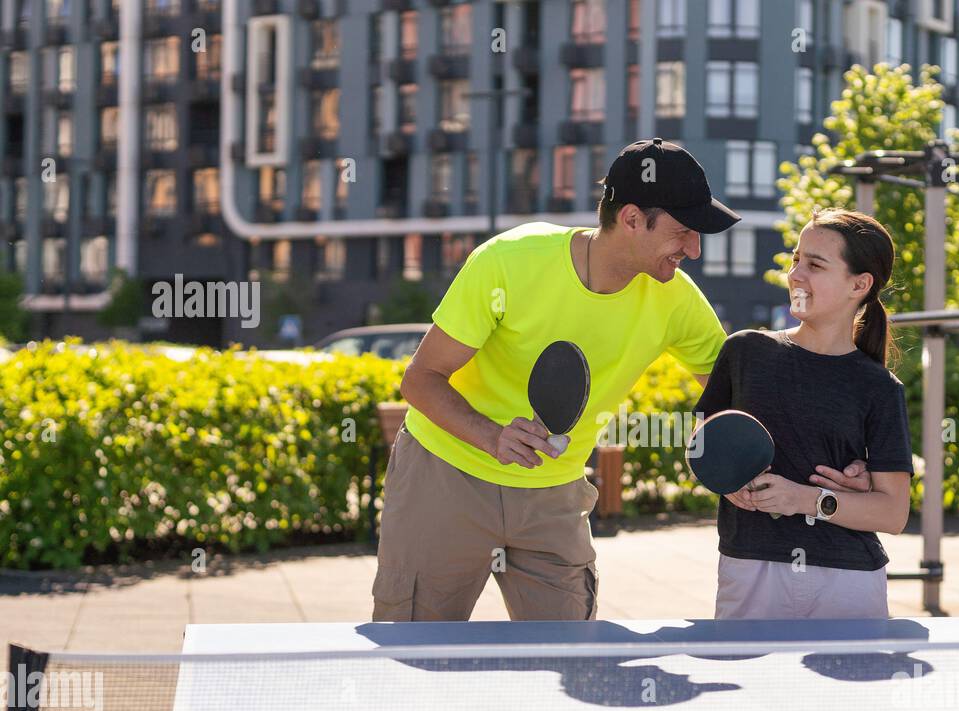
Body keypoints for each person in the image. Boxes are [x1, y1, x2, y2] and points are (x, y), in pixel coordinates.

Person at [371, 137, 743, 622]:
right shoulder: (508, 261)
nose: (694, 249)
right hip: (445, 478)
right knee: (414, 656)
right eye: (684, 231)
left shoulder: (677, 299)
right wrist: (492, 436)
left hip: (554, 496)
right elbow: (421, 379)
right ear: (631, 219)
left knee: (572, 662)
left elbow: (736, 394)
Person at [693, 208, 914, 620]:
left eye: (815, 264)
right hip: (750, 567)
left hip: (847, 578)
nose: (796, 274)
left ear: (859, 285)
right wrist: (726, 483)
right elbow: (703, 447)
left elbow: (893, 513)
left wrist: (807, 500)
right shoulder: (744, 351)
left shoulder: (879, 388)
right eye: (796, 259)